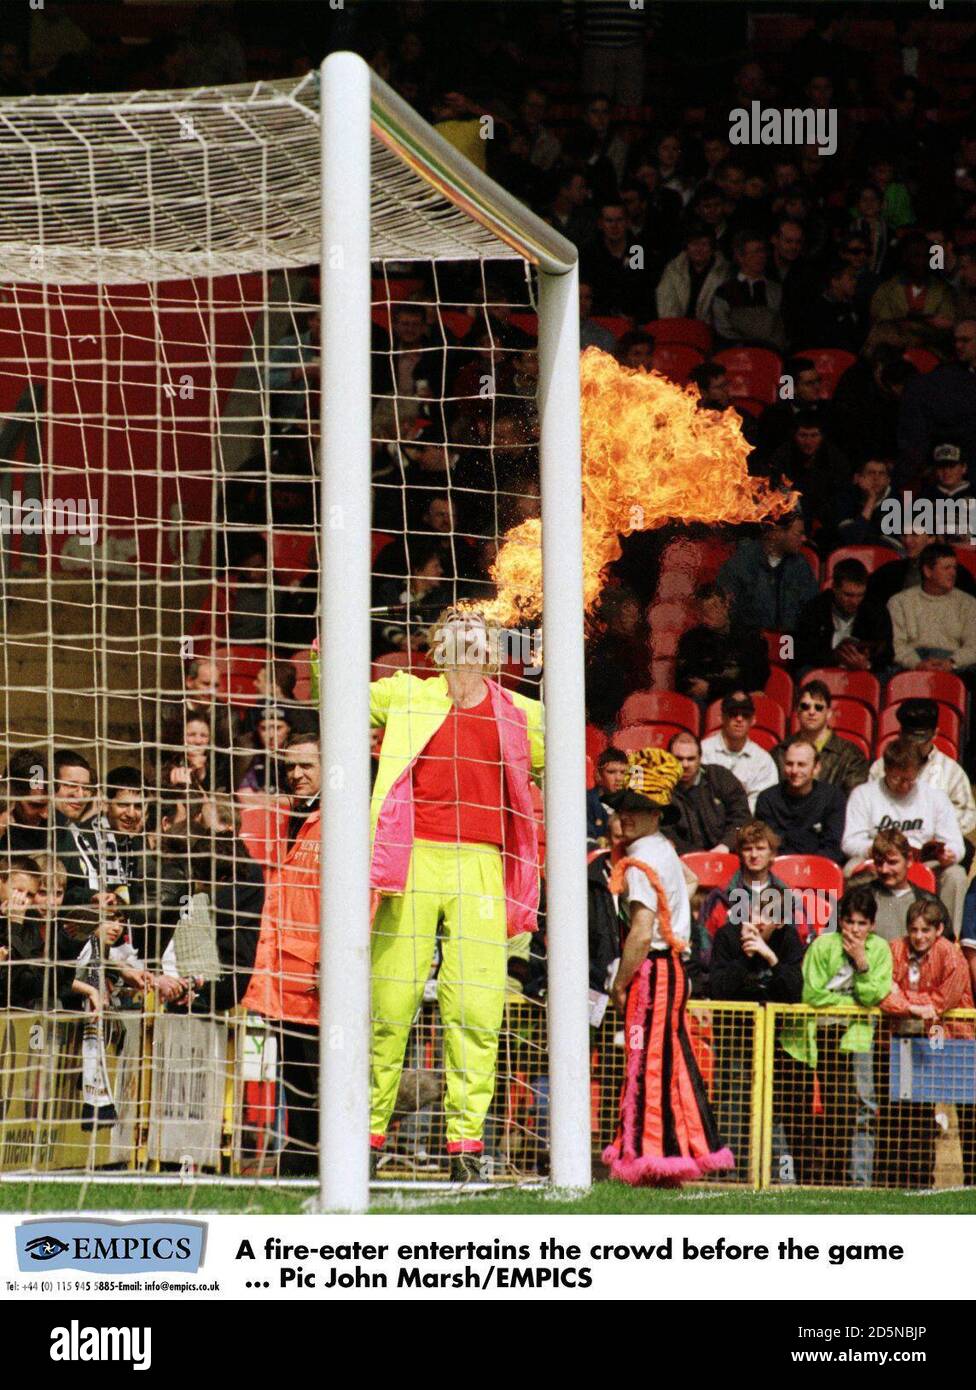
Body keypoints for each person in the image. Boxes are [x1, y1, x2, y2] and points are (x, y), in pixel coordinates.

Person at [366, 607, 544, 1182]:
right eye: (456, 624)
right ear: (437, 645)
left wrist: (555, 669)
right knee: (390, 1005)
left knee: (474, 1009)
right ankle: (366, 1134)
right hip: (413, 858)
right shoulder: (404, 695)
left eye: (479, 627)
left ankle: (465, 1144)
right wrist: (327, 638)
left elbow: (570, 760)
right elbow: (332, 696)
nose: (469, 632)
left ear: (494, 647)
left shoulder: (525, 714)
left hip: (482, 867)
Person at [601, 747, 733, 1184]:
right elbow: (691, 883)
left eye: (640, 809)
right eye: (626, 808)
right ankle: (683, 1150)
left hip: (653, 970)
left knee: (646, 1060)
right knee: (672, 1060)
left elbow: (640, 931)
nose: (629, 816)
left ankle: (648, 1155)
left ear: (658, 813)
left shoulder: (641, 859)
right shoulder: (665, 850)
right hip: (673, 968)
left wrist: (621, 984)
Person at [242, 733, 323, 1174]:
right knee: (292, 1075)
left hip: (314, 974)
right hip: (281, 974)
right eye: (290, 766)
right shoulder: (283, 817)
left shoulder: (340, 822)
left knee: (318, 1076)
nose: (296, 774)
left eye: (306, 766)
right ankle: (296, 1163)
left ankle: (327, 1164)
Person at [782, 886, 893, 1186]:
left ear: (871, 925)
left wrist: (861, 962)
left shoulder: (879, 950)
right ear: (840, 920)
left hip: (856, 1036)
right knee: (824, 1110)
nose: (855, 930)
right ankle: (816, 1177)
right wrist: (851, 1004)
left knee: (856, 1109)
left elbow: (875, 995)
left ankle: (854, 1179)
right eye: (849, 922)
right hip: (819, 1033)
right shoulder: (822, 946)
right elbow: (811, 994)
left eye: (861, 924)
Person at [877, 899, 974, 1188]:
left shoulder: (952, 956)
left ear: (939, 929)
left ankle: (970, 1181)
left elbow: (945, 1000)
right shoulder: (895, 949)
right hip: (909, 1039)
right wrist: (913, 1006)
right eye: (914, 929)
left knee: (967, 1116)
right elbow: (883, 992)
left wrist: (904, 1000)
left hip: (954, 1041)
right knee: (909, 1114)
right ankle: (911, 1180)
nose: (919, 936)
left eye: (926, 930)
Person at [842, 737, 967, 937]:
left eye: (909, 780)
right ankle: (860, 931)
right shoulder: (864, 795)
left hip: (924, 863)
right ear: (886, 770)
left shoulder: (934, 797)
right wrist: (876, 849)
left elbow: (957, 845)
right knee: (850, 869)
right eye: (897, 779)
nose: (904, 786)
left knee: (956, 874)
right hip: (880, 860)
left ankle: (947, 939)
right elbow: (849, 841)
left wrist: (949, 854)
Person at [866, 699, 976, 844]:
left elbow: (967, 814)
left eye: (921, 740)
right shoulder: (880, 768)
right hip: (888, 845)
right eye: (909, 739)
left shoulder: (951, 771)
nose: (915, 746)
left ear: (935, 734)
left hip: (933, 847)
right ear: (900, 733)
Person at [701, 819, 815, 943]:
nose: (754, 855)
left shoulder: (789, 895)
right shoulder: (720, 896)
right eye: (747, 849)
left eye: (760, 848)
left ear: (772, 854)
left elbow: (804, 941)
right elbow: (706, 944)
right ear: (740, 854)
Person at [717, 512, 819, 636]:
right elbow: (728, 613)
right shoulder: (741, 563)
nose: (804, 539)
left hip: (788, 642)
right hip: (750, 643)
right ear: (777, 533)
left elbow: (812, 608)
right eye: (798, 533)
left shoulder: (800, 564)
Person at [755, 735, 847, 865]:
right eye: (789, 764)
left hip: (819, 868)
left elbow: (832, 847)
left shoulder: (833, 797)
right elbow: (769, 846)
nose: (794, 770)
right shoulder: (767, 799)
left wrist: (805, 867)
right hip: (778, 867)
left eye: (801, 764)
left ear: (816, 768)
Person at [887, 542, 976, 675]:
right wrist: (917, 664)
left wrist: (952, 662)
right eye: (946, 568)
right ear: (928, 571)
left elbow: (973, 646)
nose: (953, 573)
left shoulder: (968, 603)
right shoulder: (899, 602)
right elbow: (897, 646)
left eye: (954, 568)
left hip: (955, 667)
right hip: (912, 666)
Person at [793, 557, 893, 674]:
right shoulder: (815, 608)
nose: (855, 601)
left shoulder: (875, 609)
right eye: (848, 595)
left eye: (860, 595)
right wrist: (834, 657)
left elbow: (888, 652)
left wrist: (866, 664)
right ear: (835, 588)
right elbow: (800, 652)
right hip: (822, 670)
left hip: (865, 672)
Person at [674, 582, 769, 703]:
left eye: (714, 608)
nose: (707, 615)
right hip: (705, 702)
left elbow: (755, 680)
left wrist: (713, 688)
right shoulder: (690, 639)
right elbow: (685, 683)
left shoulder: (751, 636)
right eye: (702, 611)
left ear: (726, 604)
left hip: (740, 700)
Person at [853, 829, 951, 944]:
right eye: (879, 863)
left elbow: (945, 946)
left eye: (892, 862)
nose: (884, 870)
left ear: (909, 860)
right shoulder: (857, 898)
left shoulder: (929, 901)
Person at [771, 680, 868, 794]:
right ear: (797, 712)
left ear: (829, 713)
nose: (811, 712)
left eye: (818, 707)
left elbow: (854, 802)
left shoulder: (851, 755)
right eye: (805, 706)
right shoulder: (780, 752)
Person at [665, 730, 750, 857]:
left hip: (726, 855)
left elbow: (741, 819)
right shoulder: (660, 788)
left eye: (691, 759)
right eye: (678, 759)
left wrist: (726, 845)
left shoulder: (721, 777)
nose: (685, 765)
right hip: (682, 861)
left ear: (700, 758)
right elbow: (665, 833)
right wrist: (701, 857)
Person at [700, 691, 778, 813]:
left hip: (746, 825)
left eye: (745, 715)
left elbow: (762, 803)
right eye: (733, 714)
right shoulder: (703, 751)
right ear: (722, 718)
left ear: (753, 720)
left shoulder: (763, 760)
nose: (739, 719)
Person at [710, 231, 786, 352]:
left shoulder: (776, 290)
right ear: (740, 257)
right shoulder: (724, 291)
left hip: (770, 354)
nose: (761, 256)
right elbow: (723, 329)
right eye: (756, 252)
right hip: (736, 354)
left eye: (762, 251)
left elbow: (779, 327)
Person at [654, 222, 728, 322]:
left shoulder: (725, 273)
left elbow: (720, 314)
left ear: (712, 247)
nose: (699, 249)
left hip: (710, 332)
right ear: (687, 246)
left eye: (704, 244)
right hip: (679, 329)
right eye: (694, 244)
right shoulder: (673, 270)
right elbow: (666, 305)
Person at [587, 745, 629, 843]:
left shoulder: (634, 804)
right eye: (611, 772)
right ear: (598, 775)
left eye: (623, 772)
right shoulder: (585, 803)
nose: (618, 778)